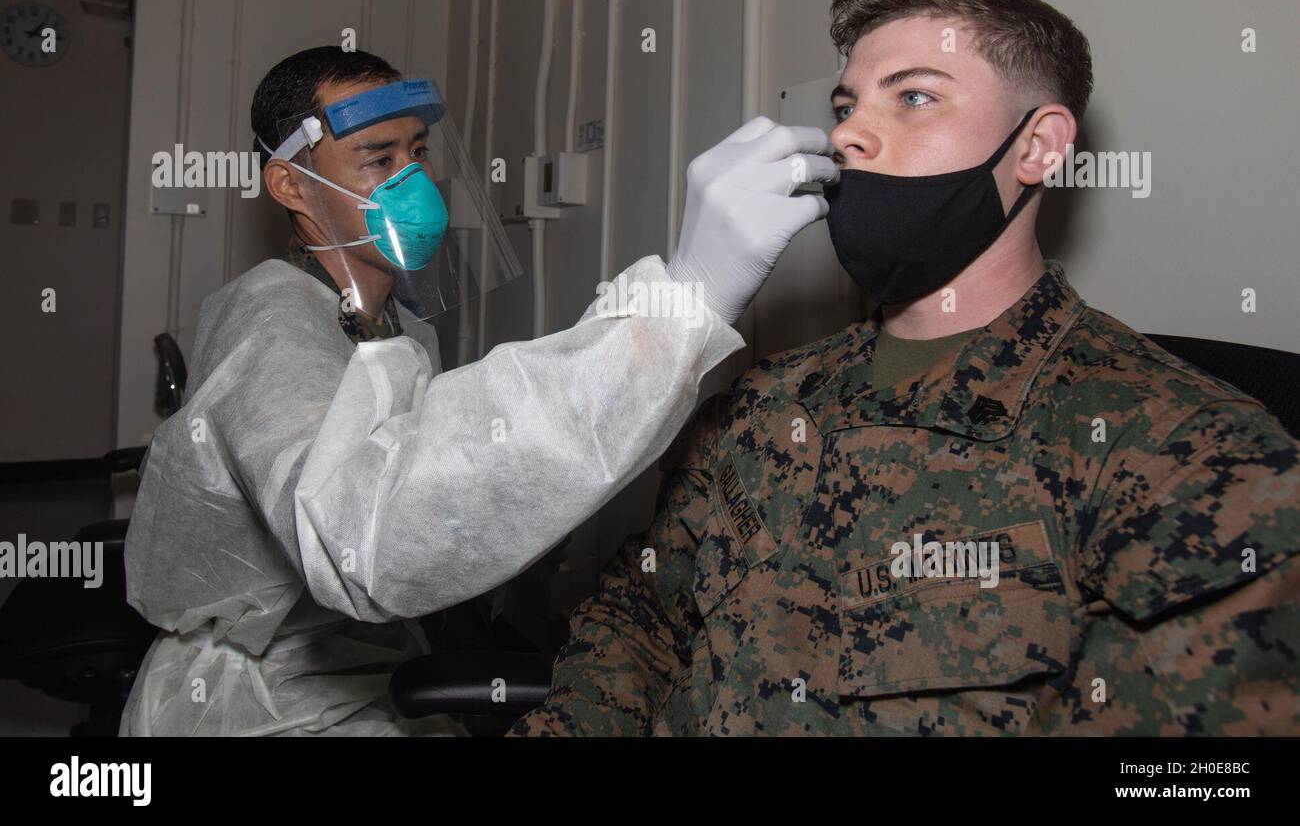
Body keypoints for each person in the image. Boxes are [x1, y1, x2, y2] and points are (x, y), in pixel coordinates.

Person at [513, 0, 1300, 736]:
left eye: (914, 96)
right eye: (845, 105)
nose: (845, 134)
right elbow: (640, 623)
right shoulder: (759, 404)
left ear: (1038, 146)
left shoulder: (1186, 449)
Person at [120, 46, 837, 736]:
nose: (415, 182)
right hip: (262, 705)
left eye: (418, 152)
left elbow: (433, 467)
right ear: (291, 185)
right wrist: (680, 306)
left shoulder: (390, 326)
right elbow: (363, 537)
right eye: (379, 159)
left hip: (366, 670)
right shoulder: (270, 322)